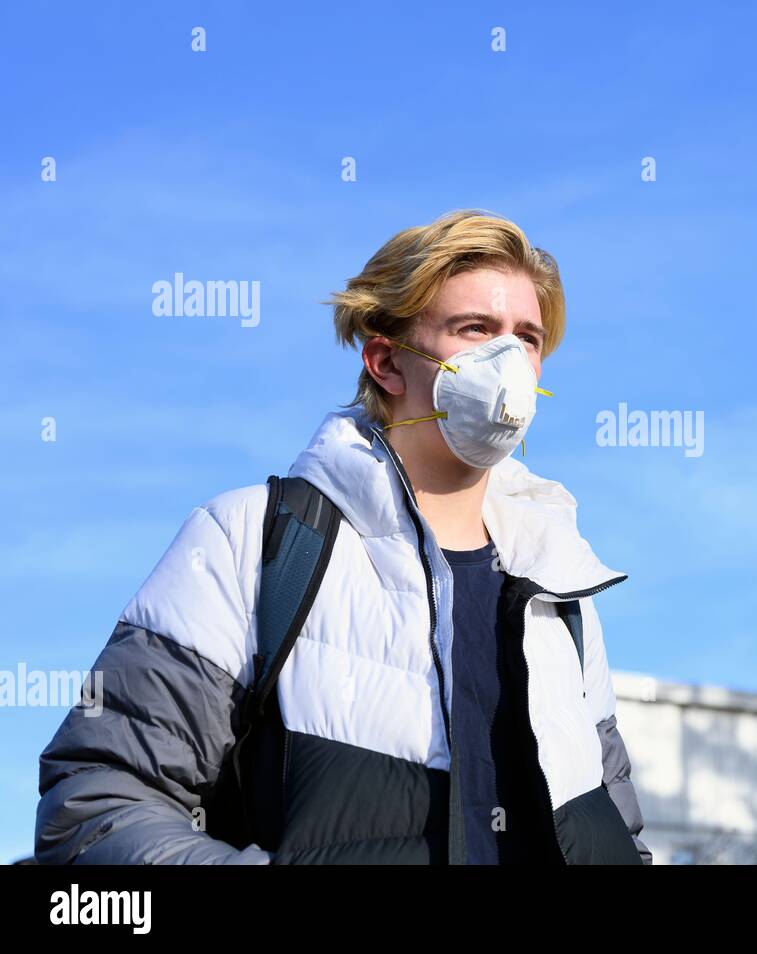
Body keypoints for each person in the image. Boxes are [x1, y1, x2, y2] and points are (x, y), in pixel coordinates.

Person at [33, 209, 652, 865]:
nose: (511, 361)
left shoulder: (559, 590)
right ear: (387, 362)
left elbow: (621, 840)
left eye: (526, 337)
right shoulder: (250, 541)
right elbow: (97, 808)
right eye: (475, 329)